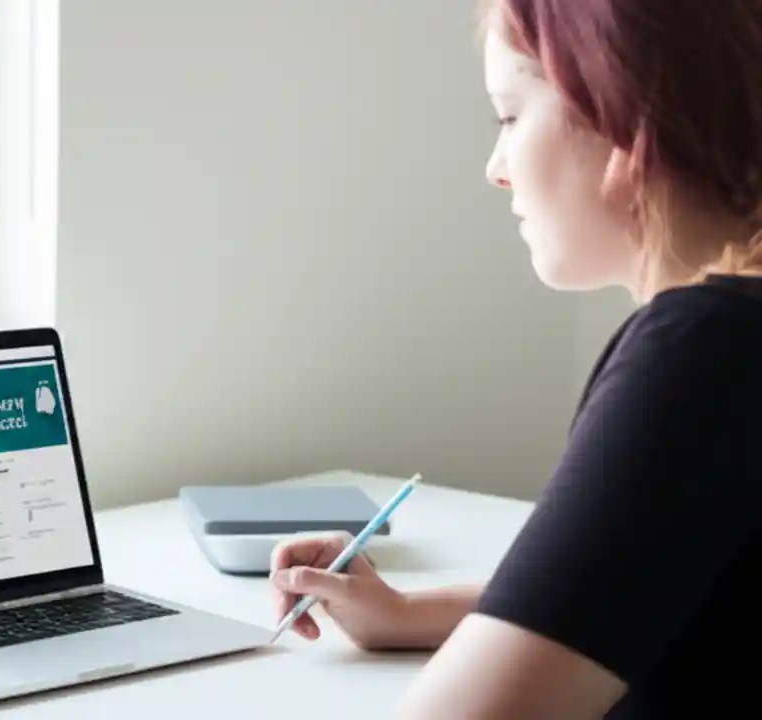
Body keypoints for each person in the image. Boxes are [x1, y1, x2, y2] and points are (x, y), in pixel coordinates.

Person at [269, 1, 762, 718]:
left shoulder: (706, 356)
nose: (496, 169)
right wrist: (407, 613)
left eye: (509, 116)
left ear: (621, 117)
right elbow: (644, 590)